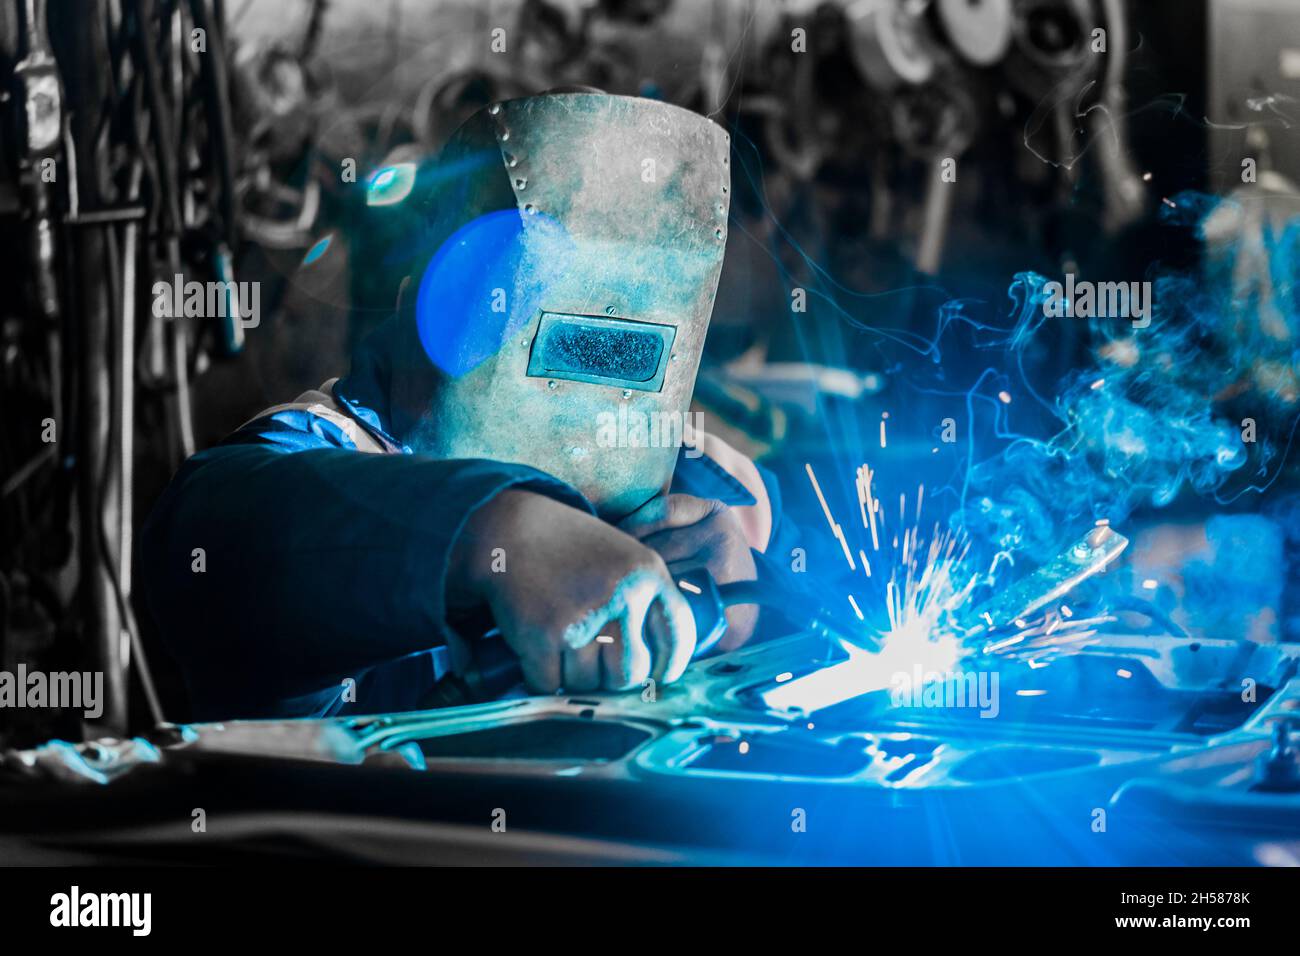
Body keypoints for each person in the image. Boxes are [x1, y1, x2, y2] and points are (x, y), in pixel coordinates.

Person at [141, 92, 797, 720]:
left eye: (611, 358)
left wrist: (749, 609)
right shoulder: (314, 456)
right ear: (409, 310)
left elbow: (860, 630)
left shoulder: (701, 480)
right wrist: (491, 532)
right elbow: (204, 542)